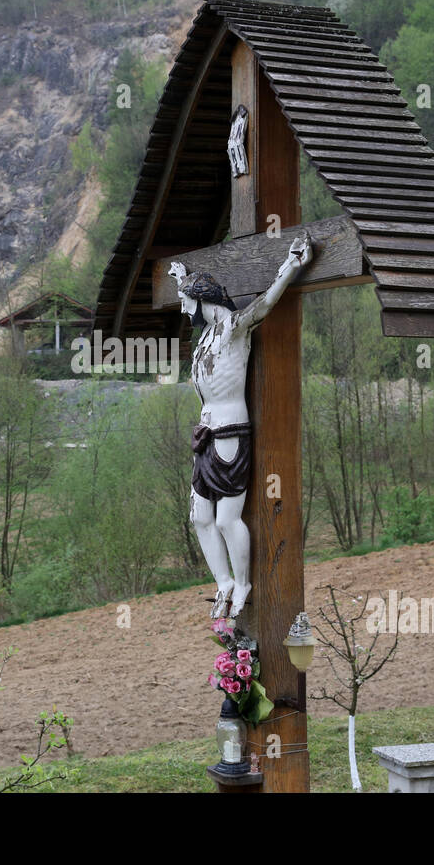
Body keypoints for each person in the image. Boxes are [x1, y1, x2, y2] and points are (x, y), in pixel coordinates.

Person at [168, 235, 313, 618]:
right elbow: (190, 296)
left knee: (228, 518)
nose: (185, 311)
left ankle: (244, 583)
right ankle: (223, 581)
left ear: (203, 300)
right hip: (205, 436)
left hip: (231, 433)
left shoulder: (234, 328)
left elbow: (265, 303)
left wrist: (290, 266)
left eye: (187, 303)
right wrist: (182, 278)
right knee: (199, 517)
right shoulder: (204, 338)